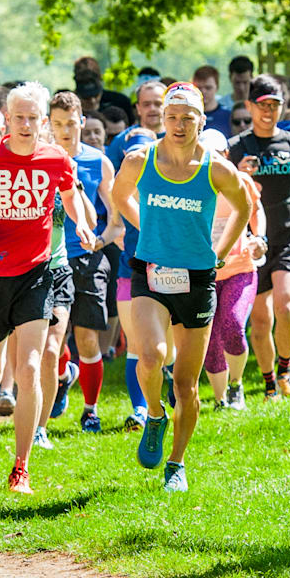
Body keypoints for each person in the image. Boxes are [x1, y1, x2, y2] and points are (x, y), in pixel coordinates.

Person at [0, 82, 95, 495]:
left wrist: (81, 225)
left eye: (34, 118)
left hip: (37, 271)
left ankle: (21, 467)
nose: (27, 124)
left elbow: (69, 196)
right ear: (7, 120)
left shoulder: (56, 159)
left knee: (31, 366)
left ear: (43, 121)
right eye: (20, 118)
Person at [110, 83, 252, 492]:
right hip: (151, 271)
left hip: (197, 278)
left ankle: (177, 463)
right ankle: (154, 414)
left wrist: (219, 252)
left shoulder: (216, 168)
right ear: (162, 118)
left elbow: (242, 207)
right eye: (172, 116)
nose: (178, 123)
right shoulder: (141, 161)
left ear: (201, 120)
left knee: (187, 386)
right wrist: (146, 227)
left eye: (188, 117)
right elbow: (120, 196)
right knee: (151, 355)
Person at [228, 74, 290, 400]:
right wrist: (239, 174)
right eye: (262, 105)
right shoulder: (237, 148)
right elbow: (222, 193)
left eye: (275, 105)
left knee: (285, 306)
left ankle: (285, 371)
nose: (269, 111)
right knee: (260, 319)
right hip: (253, 243)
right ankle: (269, 382)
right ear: (249, 106)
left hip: (288, 237)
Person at [48, 92, 118, 433]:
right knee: (55, 341)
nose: (64, 130)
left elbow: (117, 219)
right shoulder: (40, 158)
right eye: (57, 124)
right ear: (49, 124)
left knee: (87, 337)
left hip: (88, 258)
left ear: (83, 122)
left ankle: (90, 411)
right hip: (48, 259)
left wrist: (100, 241)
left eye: (70, 123)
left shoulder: (98, 162)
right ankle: (63, 376)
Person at [105, 79, 165, 429]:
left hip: (175, 256)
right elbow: (112, 189)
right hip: (133, 254)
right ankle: (140, 410)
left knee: (168, 343)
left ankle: (169, 401)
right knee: (136, 340)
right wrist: (115, 224)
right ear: (138, 107)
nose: (154, 109)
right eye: (148, 103)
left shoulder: (185, 146)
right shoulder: (123, 143)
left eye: (160, 102)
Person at [198, 130, 265, 408]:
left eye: (216, 156)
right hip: (202, 274)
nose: (210, 163)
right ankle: (219, 398)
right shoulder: (188, 184)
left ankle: (236, 385)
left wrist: (259, 237)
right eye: (204, 156)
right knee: (210, 340)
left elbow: (255, 210)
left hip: (240, 269)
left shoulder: (241, 181)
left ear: (226, 156)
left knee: (233, 324)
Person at [193, 65, 233, 136]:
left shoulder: (229, 116)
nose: (203, 92)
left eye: (208, 88)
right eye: (199, 88)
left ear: (217, 87)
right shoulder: (188, 115)